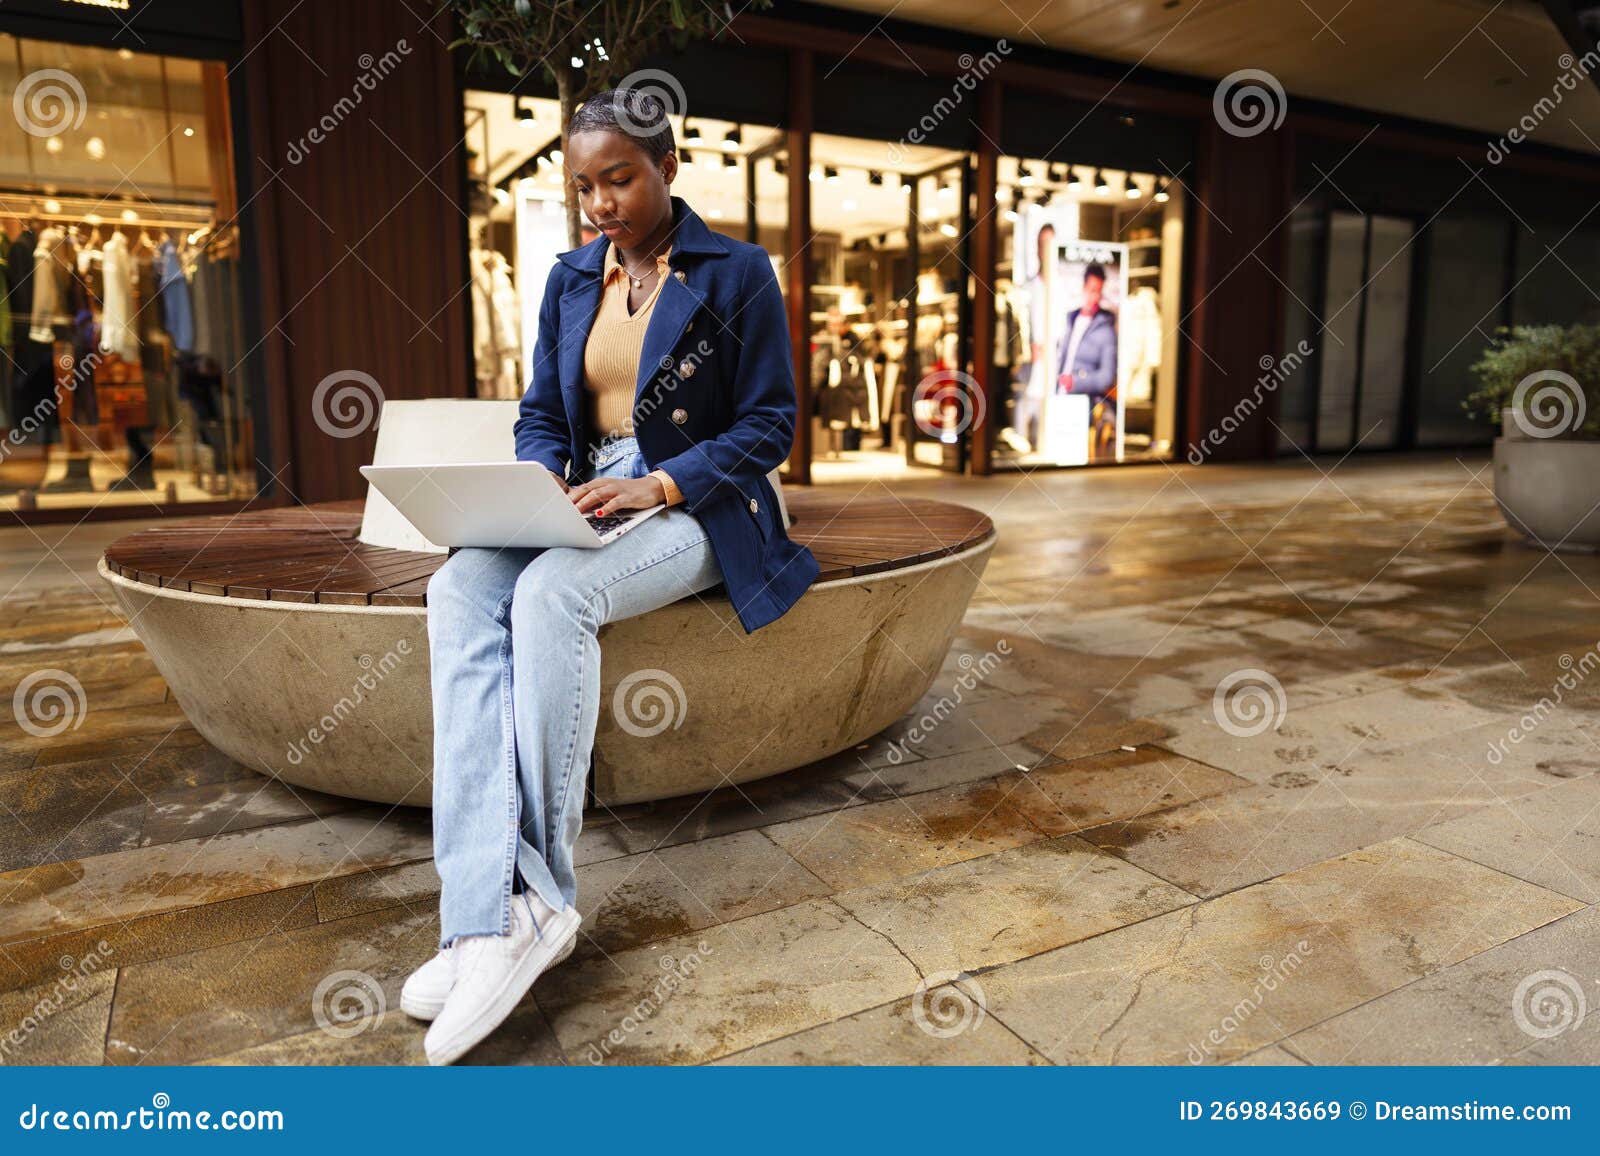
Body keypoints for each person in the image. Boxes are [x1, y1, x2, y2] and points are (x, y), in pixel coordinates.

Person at [408, 87, 818, 1065]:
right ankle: (482, 909)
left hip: (703, 502)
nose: (599, 201)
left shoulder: (737, 272)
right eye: (584, 183)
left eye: (619, 177)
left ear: (667, 166)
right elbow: (543, 408)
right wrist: (542, 474)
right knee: (457, 587)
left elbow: (770, 425)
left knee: (553, 593)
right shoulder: (568, 278)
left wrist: (663, 484)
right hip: (588, 487)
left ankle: (535, 903)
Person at [1056, 262, 1118, 458]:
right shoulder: (1070, 320)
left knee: (1074, 456)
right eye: (1091, 290)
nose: (1095, 296)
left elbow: (1107, 376)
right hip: (1060, 397)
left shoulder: (1106, 331)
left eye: (1099, 291)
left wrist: (1077, 382)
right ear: (1083, 288)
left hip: (1083, 404)